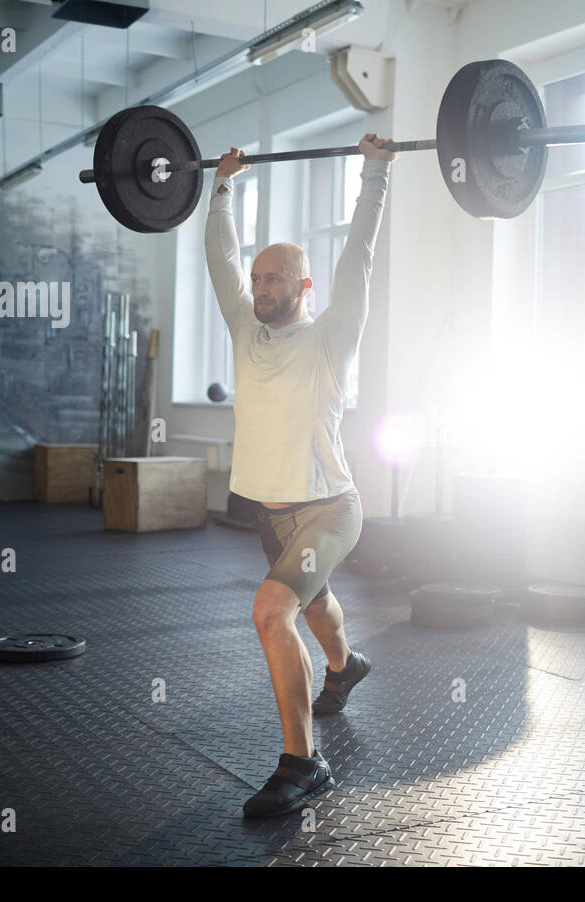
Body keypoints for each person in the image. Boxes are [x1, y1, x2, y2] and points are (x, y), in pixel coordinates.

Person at [205, 133, 395, 819]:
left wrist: (373, 174)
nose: (259, 288)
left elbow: (360, 257)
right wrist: (222, 185)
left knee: (270, 611)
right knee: (313, 607)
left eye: (275, 279)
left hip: (329, 509)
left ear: (304, 287)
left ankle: (302, 763)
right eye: (257, 279)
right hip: (272, 512)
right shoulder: (243, 329)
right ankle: (346, 667)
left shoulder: (330, 334)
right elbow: (220, 257)